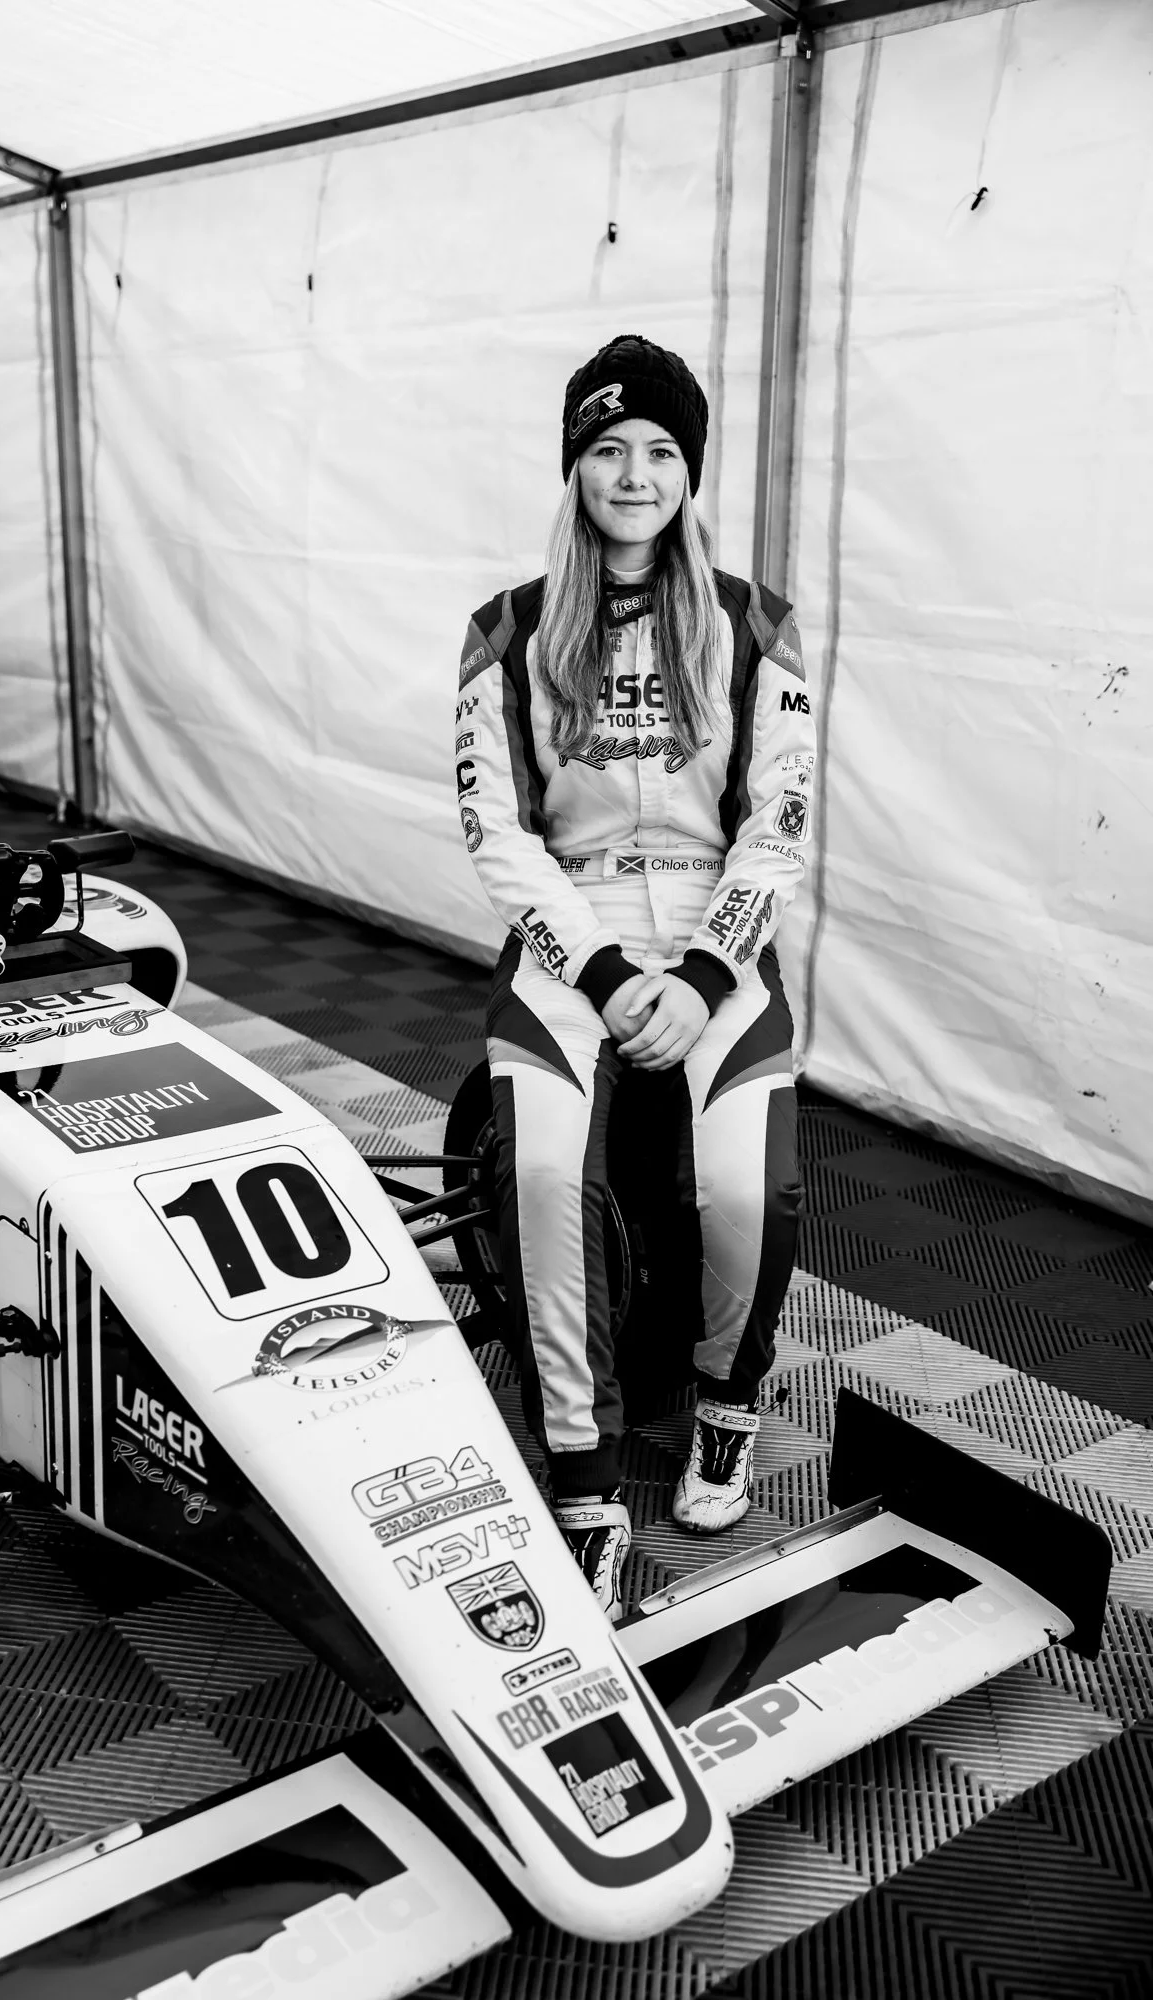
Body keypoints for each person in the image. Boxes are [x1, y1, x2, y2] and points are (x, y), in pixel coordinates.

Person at [455, 333, 814, 1618]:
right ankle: (583, 1463)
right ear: (572, 468)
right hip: (573, 933)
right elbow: (495, 834)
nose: (632, 472)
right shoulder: (504, 628)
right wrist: (606, 971)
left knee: (743, 1183)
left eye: (660, 450)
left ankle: (728, 1398)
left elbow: (777, 820)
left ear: (689, 471)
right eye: (605, 448)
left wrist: (706, 971)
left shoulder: (750, 620)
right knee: (545, 1171)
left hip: (721, 933)